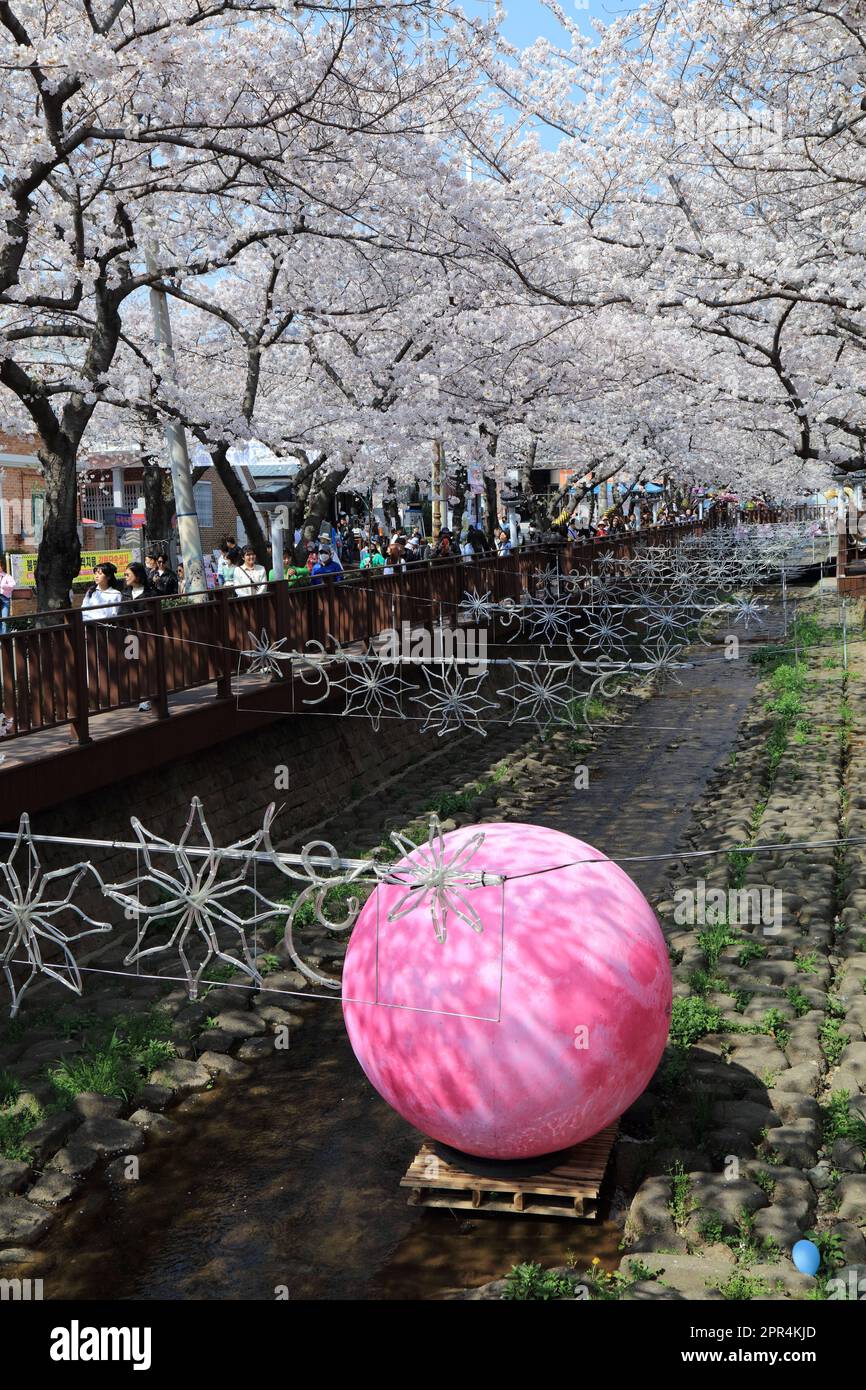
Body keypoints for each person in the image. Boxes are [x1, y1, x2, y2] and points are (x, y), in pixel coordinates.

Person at [121, 561, 153, 712]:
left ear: (137, 576)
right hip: (130, 635)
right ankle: (136, 695)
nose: (125, 577)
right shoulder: (125, 593)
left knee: (146, 665)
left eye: (128, 574)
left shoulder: (149, 593)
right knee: (132, 665)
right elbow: (121, 613)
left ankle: (147, 697)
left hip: (146, 636)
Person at [0, 561, 15, 633]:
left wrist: (4, 586)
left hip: (5, 599)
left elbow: (13, 586)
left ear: (2, 567)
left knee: (4, 620)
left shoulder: (7, 576)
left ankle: (4, 640)